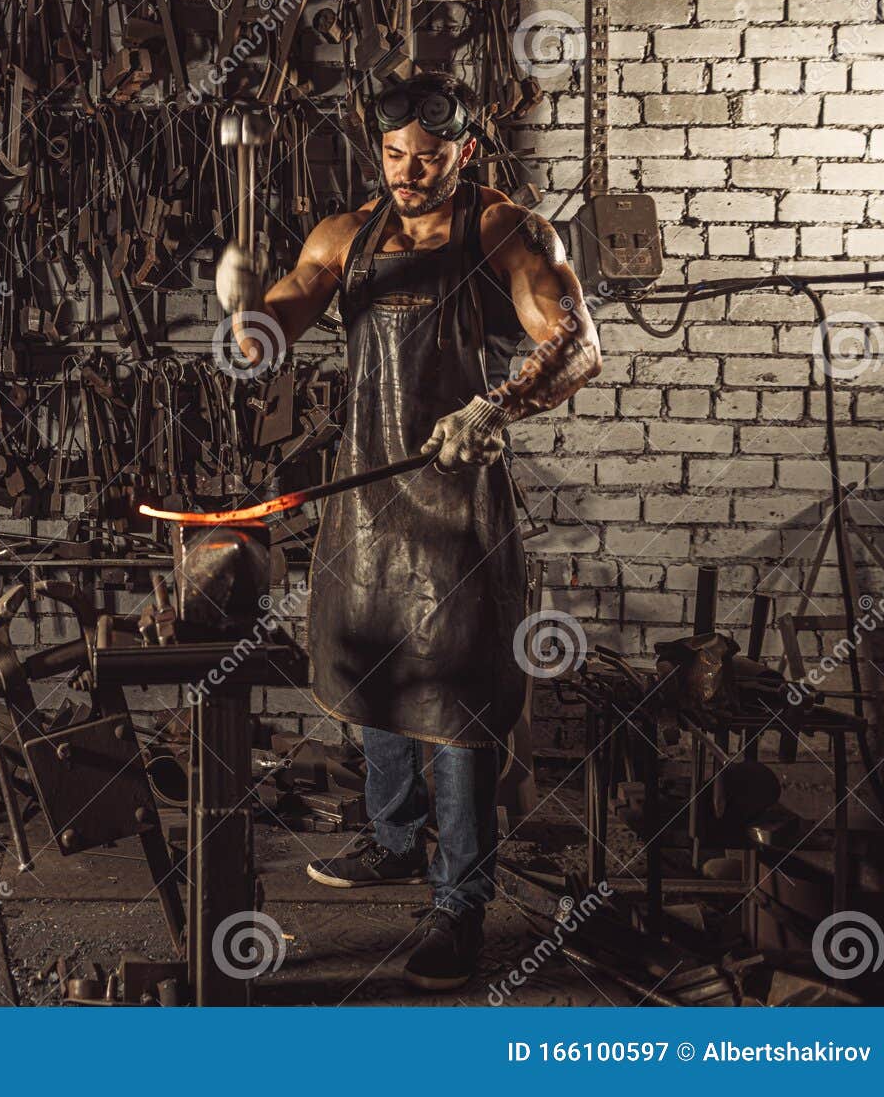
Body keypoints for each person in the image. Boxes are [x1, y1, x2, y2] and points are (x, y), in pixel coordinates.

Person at [215, 71, 601, 991]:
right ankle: (393, 839)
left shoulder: (506, 230)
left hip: (460, 505)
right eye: (394, 157)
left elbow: (578, 342)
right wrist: (243, 317)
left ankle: (459, 905)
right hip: (370, 496)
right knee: (371, 664)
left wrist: (498, 404)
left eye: (429, 158)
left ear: (467, 150)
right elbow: (279, 328)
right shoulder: (346, 236)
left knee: (457, 705)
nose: (409, 173)